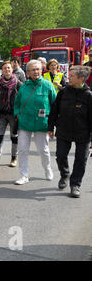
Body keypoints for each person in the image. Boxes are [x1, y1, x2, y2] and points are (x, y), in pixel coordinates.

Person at [48, 65, 92, 198]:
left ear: (81, 78)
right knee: (60, 156)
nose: (68, 78)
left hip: (83, 133)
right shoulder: (64, 92)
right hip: (64, 131)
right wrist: (50, 127)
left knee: (81, 159)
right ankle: (65, 174)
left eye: (71, 76)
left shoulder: (89, 96)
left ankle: (75, 185)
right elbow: (54, 110)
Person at [13, 60, 57, 185]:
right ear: (27, 72)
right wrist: (17, 114)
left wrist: (53, 124)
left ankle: (47, 168)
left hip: (42, 124)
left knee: (43, 150)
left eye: (37, 69)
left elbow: (55, 105)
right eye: (32, 70)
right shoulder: (24, 86)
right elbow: (16, 103)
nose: (35, 72)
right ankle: (24, 175)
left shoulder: (48, 85)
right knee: (22, 150)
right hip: (24, 123)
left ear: (42, 70)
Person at [0, 61, 22, 169]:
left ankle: (14, 158)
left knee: (14, 136)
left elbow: (23, 99)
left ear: (12, 69)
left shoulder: (18, 83)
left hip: (13, 115)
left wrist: (20, 112)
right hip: (1, 114)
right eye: (5, 68)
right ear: (2, 70)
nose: (7, 70)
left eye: (9, 68)